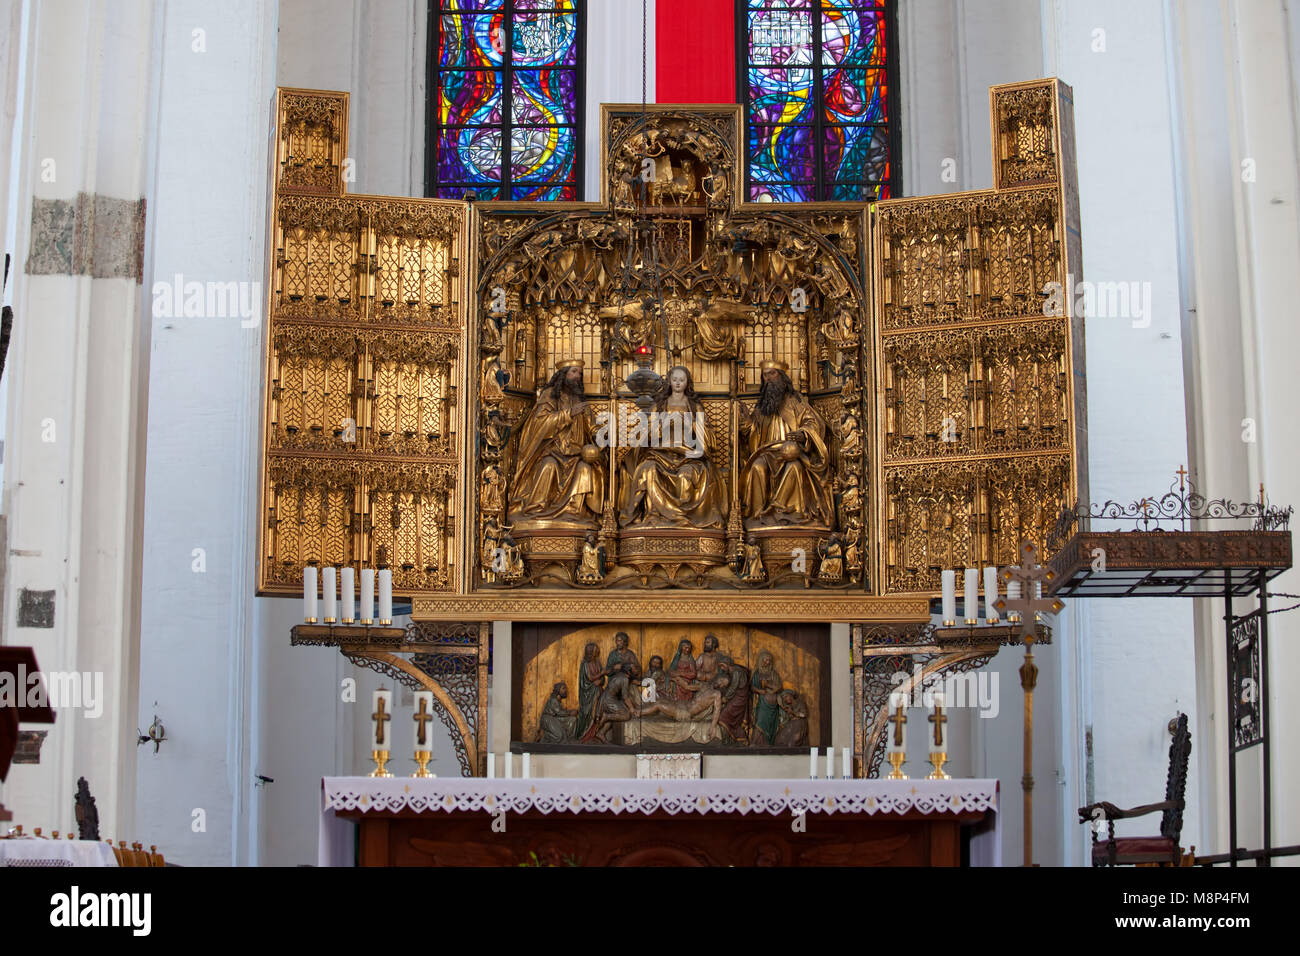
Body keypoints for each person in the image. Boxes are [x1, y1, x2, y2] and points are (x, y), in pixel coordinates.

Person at [618, 366, 727, 530]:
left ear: (687, 383)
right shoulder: (660, 405)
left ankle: (681, 517)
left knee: (686, 475)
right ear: (669, 381)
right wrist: (662, 426)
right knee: (647, 469)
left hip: (687, 455)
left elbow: (706, 434)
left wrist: (689, 426)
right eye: (674, 379)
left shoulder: (694, 406)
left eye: (681, 380)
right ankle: (653, 514)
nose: (678, 383)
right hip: (661, 454)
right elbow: (647, 433)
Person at [507, 359, 605, 529]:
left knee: (585, 470)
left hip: (575, 456)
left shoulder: (581, 402)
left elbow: (592, 426)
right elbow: (540, 424)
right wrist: (567, 414)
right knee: (548, 466)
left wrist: (602, 434)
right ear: (563, 374)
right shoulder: (550, 395)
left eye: (580, 373)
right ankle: (536, 508)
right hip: (552, 452)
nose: (578, 376)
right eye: (574, 372)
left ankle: (574, 512)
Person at [739, 360, 833, 528]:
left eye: (772, 374)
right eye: (765, 375)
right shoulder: (762, 407)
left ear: (782, 377)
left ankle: (786, 512)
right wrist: (746, 421)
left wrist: (802, 434)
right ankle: (758, 516)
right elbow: (753, 432)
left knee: (794, 468)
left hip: (792, 454)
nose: (768, 378)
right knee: (756, 468)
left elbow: (814, 422)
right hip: (767, 453)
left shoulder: (795, 402)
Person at [750, 650, 783, 746]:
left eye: (769, 660)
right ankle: (754, 743)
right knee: (760, 721)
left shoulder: (773, 673)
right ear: (761, 660)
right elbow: (752, 687)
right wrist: (760, 691)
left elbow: (779, 687)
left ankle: (768, 743)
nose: (766, 662)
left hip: (773, 705)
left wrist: (769, 685)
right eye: (765, 660)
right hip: (762, 702)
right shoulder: (757, 673)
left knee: (770, 725)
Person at [575, 642, 604, 739]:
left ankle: (595, 734)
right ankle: (584, 736)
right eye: (595, 651)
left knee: (599, 711)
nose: (597, 653)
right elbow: (590, 678)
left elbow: (602, 678)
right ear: (590, 652)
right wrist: (601, 674)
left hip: (598, 691)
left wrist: (600, 680)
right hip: (587, 694)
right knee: (588, 713)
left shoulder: (597, 662)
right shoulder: (585, 663)